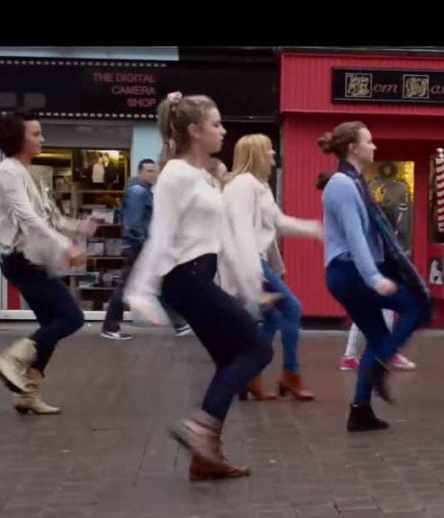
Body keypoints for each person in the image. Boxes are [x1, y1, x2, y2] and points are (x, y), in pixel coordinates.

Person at [125, 92, 275, 481]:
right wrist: (139, 291)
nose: (223, 130)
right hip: (185, 278)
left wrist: (248, 286)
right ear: (194, 130)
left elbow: (222, 239)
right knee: (256, 349)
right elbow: (159, 236)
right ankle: (201, 430)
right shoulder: (174, 174)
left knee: (231, 359)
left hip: (197, 277)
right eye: (216, 124)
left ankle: (205, 457)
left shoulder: (201, 176)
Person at [319, 121, 432, 432]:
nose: (374, 146)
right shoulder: (343, 184)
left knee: (378, 337)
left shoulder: (352, 182)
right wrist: (373, 277)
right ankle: (383, 363)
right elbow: (355, 235)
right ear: (353, 147)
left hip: (348, 272)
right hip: (351, 271)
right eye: (369, 142)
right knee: (418, 306)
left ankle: (360, 410)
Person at [0, 110, 94, 415]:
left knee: (52, 324)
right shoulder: (8, 171)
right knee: (72, 318)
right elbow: (26, 217)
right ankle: (13, 360)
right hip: (22, 262)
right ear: (19, 138)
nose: (42, 138)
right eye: (36, 134)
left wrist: (78, 228)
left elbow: (50, 217)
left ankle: (28, 394)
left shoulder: (26, 172)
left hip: (32, 262)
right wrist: (65, 244)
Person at [221, 134, 323, 401]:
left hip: (257, 261)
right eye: (269, 153)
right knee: (292, 307)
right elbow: (241, 232)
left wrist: (313, 229)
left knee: (273, 318)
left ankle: (250, 375)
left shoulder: (259, 186)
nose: (273, 157)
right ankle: (290, 374)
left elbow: (279, 222)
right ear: (256, 154)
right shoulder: (243, 186)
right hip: (250, 262)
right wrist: (254, 275)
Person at [101, 158, 192, 340]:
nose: (153, 174)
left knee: (159, 283)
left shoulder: (145, 191)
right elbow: (133, 223)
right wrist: (144, 245)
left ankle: (180, 323)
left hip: (140, 245)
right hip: (137, 246)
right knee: (128, 285)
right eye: (149, 171)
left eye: (154, 171)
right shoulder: (138, 191)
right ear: (140, 172)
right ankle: (110, 327)